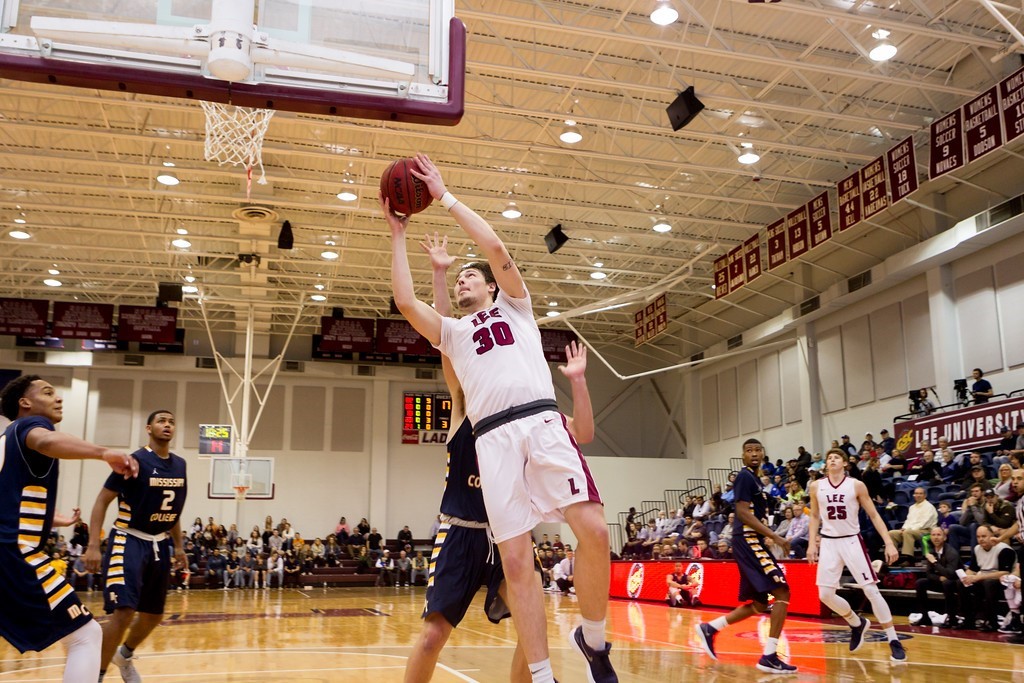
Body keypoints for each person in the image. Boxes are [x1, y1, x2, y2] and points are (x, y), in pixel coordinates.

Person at [386, 154, 614, 683]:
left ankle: (593, 639)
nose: (464, 280)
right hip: (492, 441)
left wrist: (444, 195)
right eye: (459, 278)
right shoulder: (455, 334)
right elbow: (405, 300)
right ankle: (541, 676)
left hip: (540, 420)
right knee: (515, 564)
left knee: (595, 531)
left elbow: (495, 246)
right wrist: (398, 235)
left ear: (491, 286)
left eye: (470, 277)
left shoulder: (516, 306)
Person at [0, 375, 138, 683]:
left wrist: (53, 520)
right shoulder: (29, 428)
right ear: (25, 403)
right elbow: (47, 442)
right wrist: (103, 452)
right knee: (85, 635)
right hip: (15, 554)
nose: (58, 398)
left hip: (8, 548)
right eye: (48, 392)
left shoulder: (6, 439)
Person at [85, 409, 187, 682]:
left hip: (159, 544)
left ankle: (124, 655)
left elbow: (174, 511)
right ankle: (96, 674)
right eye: (161, 421)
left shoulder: (180, 465)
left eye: (171, 421)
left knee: (153, 615)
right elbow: (101, 501)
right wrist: (93, 544)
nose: (167, 425)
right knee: (124, 611)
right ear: (148, 428)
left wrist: (179, 546)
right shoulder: (134, 461)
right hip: (128, 539)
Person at [696, 439, 797, 673]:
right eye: (749, 450)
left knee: (761, 603)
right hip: (748, 540)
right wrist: (776, 536)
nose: (754, 454)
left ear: (763, 454)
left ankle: (710, 629)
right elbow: (741, 513)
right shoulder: (744, 477)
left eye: (758, 450)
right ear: (742, 455)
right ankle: (769, 656)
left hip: (751, 540)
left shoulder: (755, 480)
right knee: (782, 591)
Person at [807, 449, 906, 661]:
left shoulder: (856, 485)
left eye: (836, 457)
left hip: (851, 540)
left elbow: (873, 514)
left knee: (871, 590)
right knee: (825, 595)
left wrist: (889, 543)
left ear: (845, 463)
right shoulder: (816, 486)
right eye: (829, 458)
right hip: (829, 543)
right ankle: (856, 623)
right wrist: (811, 543)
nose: (831, 460)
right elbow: (814, 516)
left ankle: (893, 640)